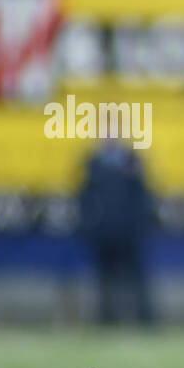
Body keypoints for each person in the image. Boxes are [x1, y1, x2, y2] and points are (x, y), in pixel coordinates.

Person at [76, 139, 155, 325]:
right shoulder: (93, 163)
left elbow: (142, 197)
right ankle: (107, 319)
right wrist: (91, 227)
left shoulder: (132, 161)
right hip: (104, 232)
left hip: (129, 232)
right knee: (105, 279)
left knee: (136, 279)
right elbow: (84, 199)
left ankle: (144, 319)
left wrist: (139, 226)